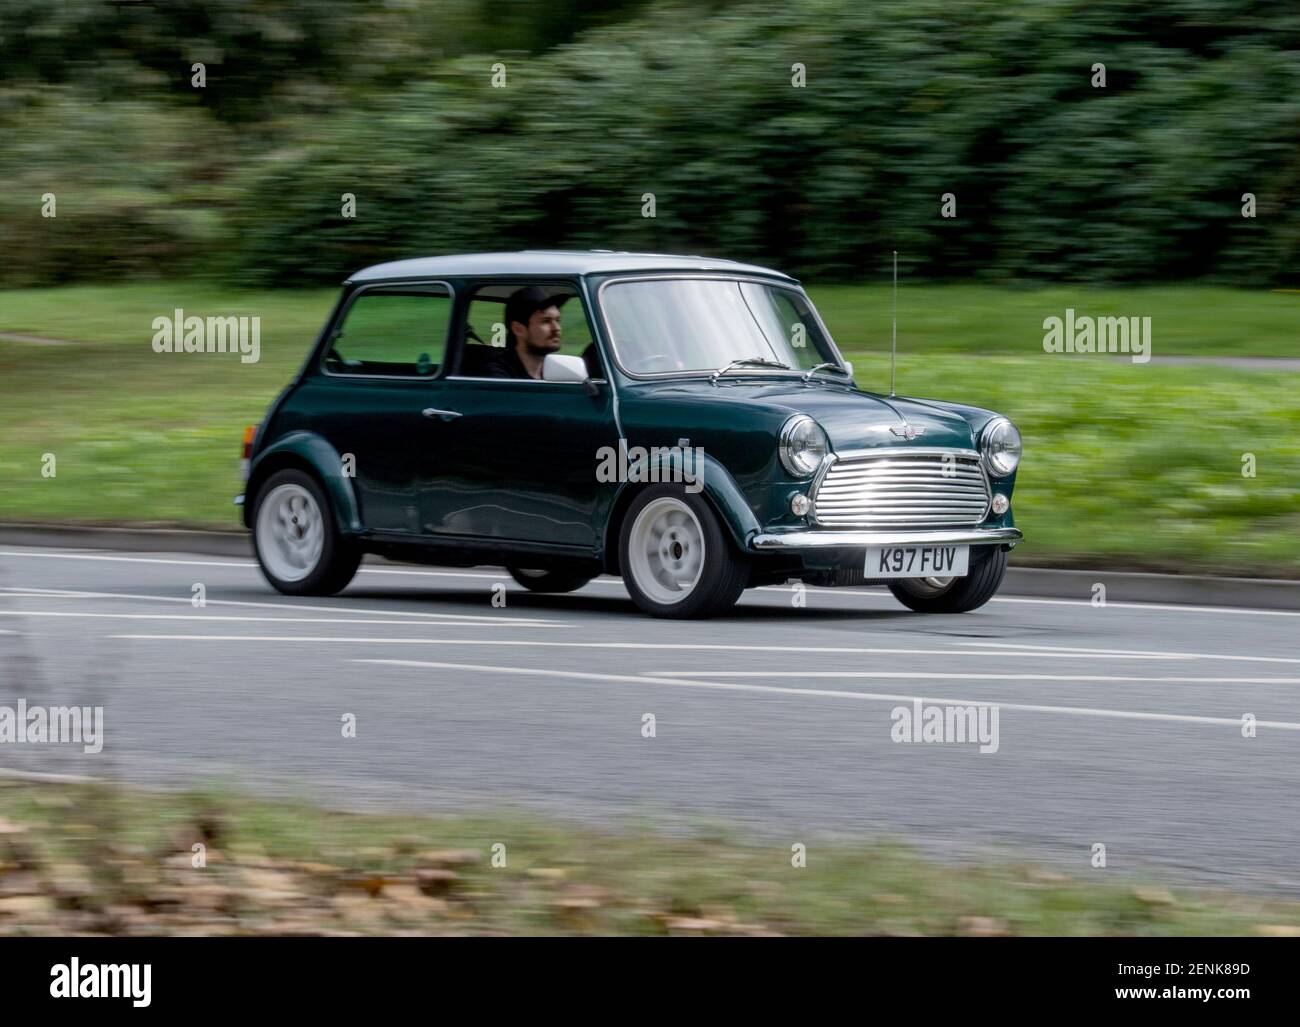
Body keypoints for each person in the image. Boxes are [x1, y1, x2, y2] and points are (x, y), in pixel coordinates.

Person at [483, 286, 568, 380]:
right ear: (518, 329)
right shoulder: (498, 376)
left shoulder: (555, 371)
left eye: (557, 320)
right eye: (546, 321)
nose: (557, 328)